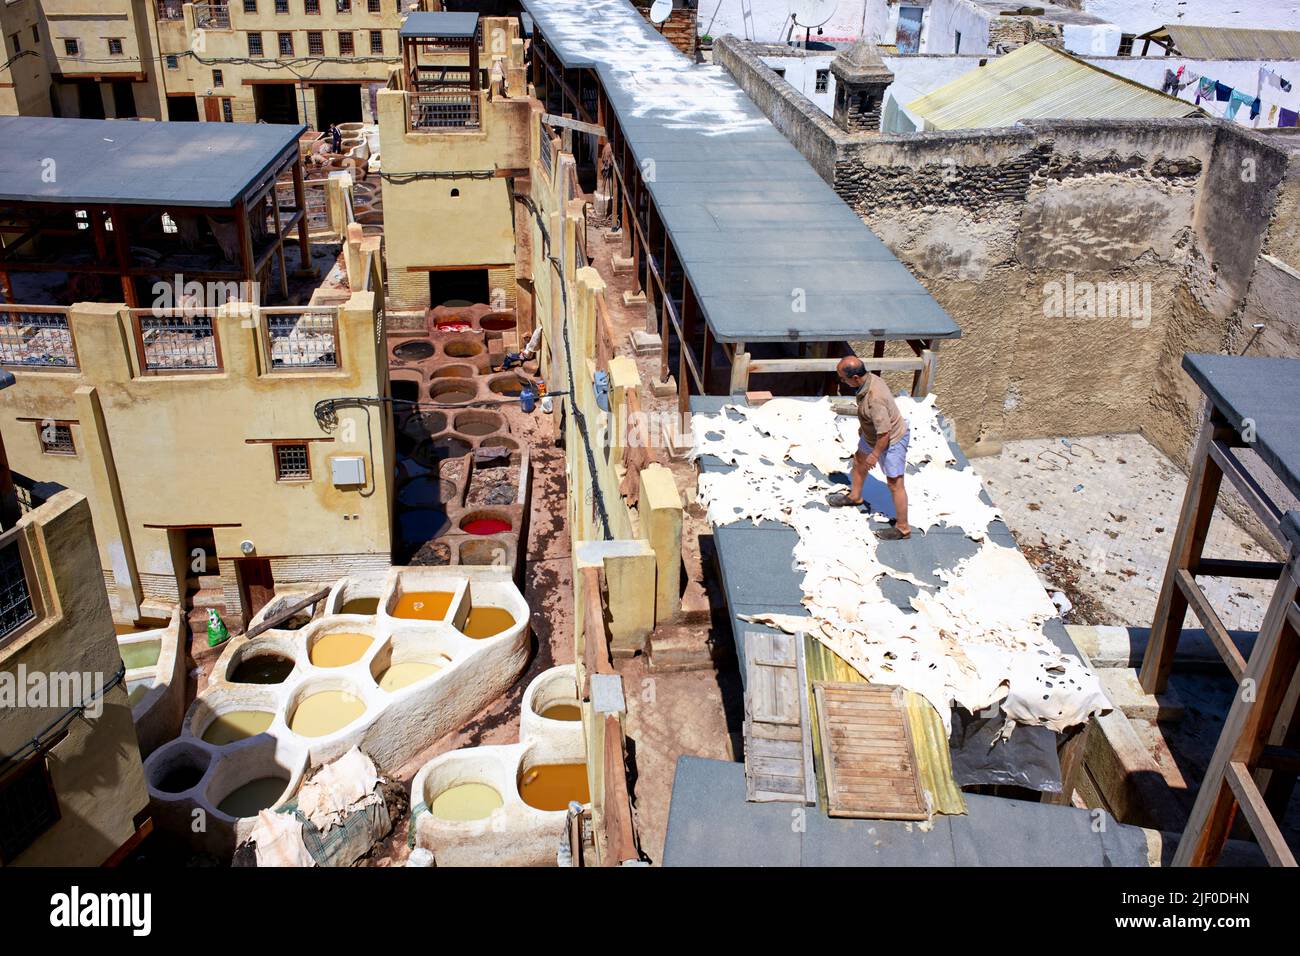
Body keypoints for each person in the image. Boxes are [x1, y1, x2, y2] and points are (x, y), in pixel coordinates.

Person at [828, 356, 912, 540]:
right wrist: (864, 428)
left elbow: (885, 434)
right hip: (871, 435)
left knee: (895, 483)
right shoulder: (868, 380)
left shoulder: (875, 399)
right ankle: (855, 496)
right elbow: (872, 420)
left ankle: (903, 528)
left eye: (843, 379)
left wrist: (875, 455)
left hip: (891, 441)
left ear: (856, 377)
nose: (842, 382)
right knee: (859, 460)